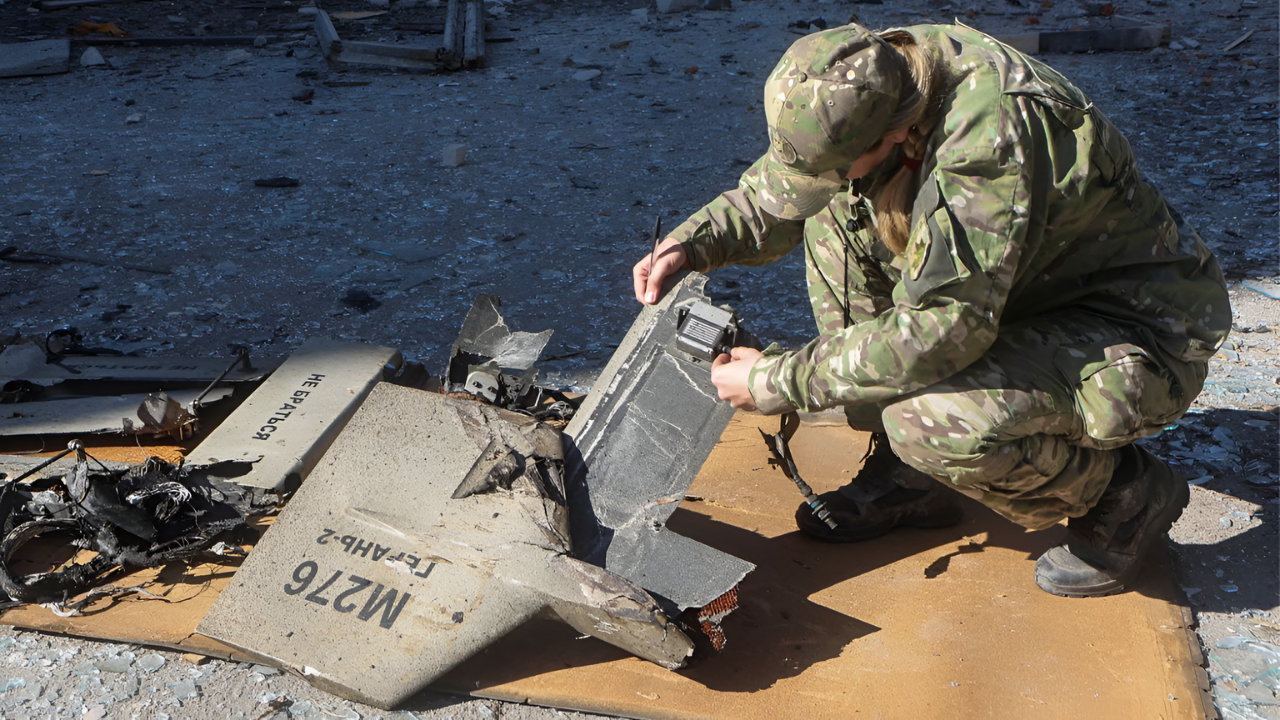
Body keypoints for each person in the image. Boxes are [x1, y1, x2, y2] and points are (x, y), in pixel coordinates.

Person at [632, 23, 1230, 598]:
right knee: (836, 213)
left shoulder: (989, 138)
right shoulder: (872, 76)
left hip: (1135, 334)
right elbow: (789, 186)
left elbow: (945, 328)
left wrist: (777, 380)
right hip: (1021, 300)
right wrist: (693, 243)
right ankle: (910, 475)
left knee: (930, 420)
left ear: (892, 135)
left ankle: (1122, 496)